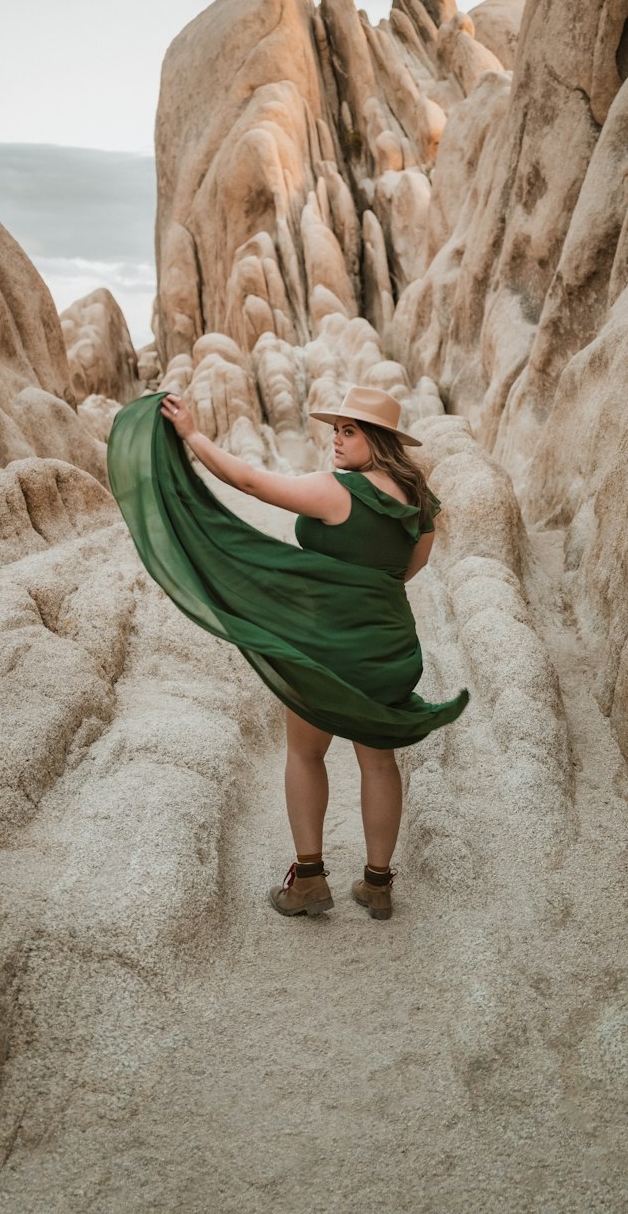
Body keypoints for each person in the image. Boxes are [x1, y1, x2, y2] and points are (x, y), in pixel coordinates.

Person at [105, 383, 468, 923]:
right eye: (335, 431)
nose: (336, 441)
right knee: (378, 759)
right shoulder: (421, 503)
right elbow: (403, 572)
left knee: (304, 753)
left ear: (377, 439)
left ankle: (310, 880)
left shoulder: (336, 490)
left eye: (348, 431)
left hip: (324, 646)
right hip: (387, 646)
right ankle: (377, 886)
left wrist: (192, 435)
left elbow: (247, 480)